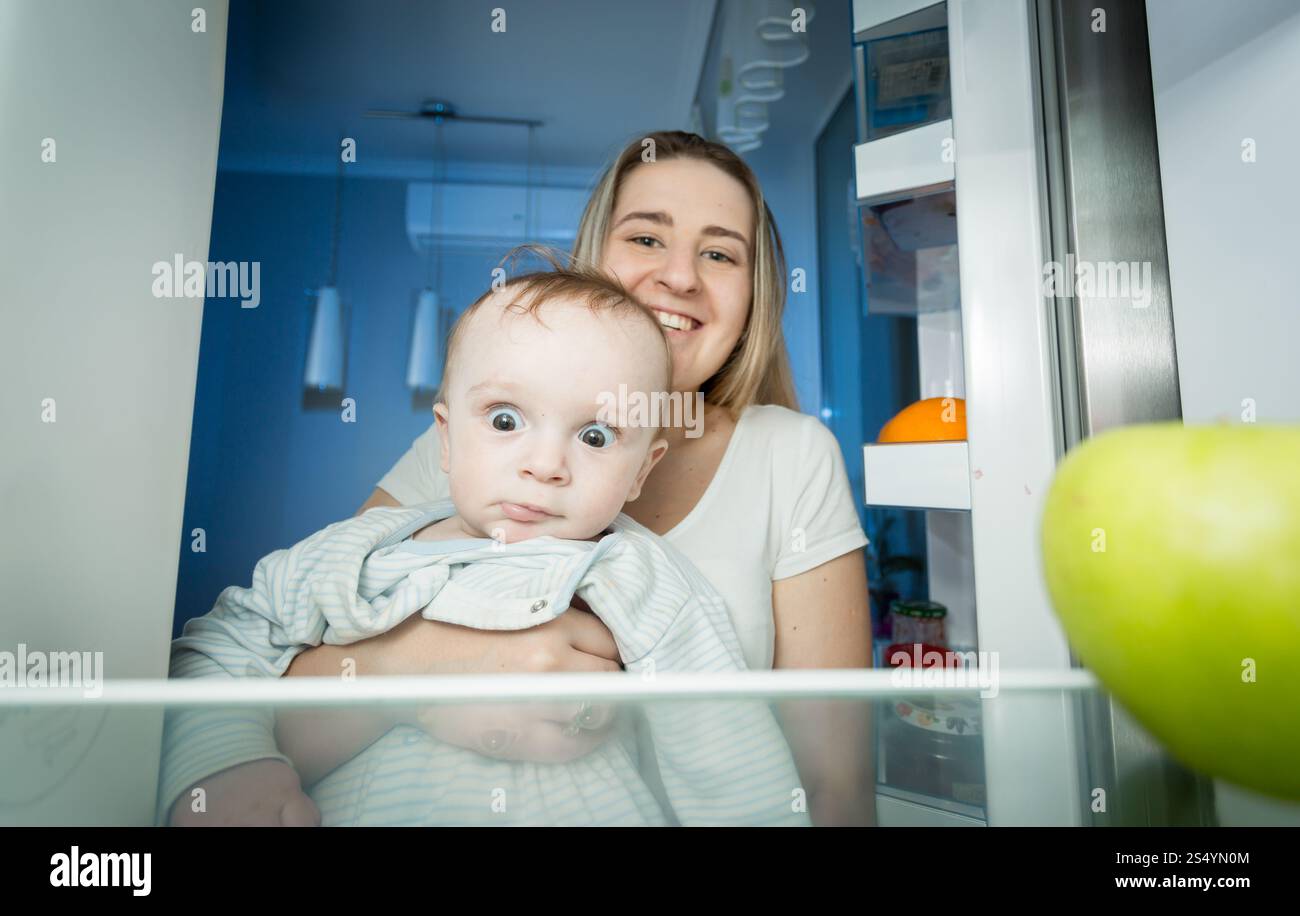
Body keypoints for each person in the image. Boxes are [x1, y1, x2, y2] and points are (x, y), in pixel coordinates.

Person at [177, 130, 875, 827]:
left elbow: (769, 777)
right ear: (451, 437)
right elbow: (234, 660)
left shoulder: (670, 553)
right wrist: (421, 676)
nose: (682, 277)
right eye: (646, 238)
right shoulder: (382, 537)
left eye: (719, 253)